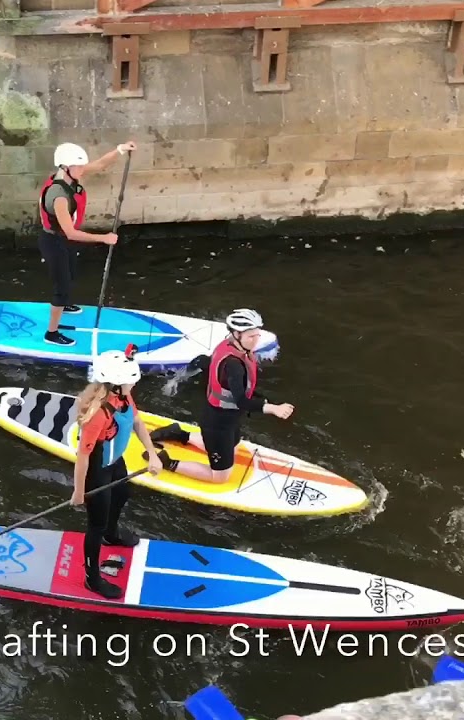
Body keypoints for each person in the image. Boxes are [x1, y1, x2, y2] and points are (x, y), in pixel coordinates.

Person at [145, 309, 294, 483]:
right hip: (217, 423)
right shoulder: (233, 365)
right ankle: (167, 462)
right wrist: (273, 408)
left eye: (257, 335)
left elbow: (209, 365)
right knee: (220, 477)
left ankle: (179, 434)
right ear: (236, 334)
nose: (255, 341)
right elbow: (241, 401)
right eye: (250, 337)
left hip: (229, 419)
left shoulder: (231, 346)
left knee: (233, 448)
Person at [71, 347, 162, 599]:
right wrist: (80, 492)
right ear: (117, 383)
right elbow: (83, 456)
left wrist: (152, 454)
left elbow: (137, 423)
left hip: (115, 462)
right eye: (131, 379)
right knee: (95, 525)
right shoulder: (98, 414)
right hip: (97, 471)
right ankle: (92, 579)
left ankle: (112, 535)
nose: (135, 381)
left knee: (122, 494)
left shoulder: (123, 398)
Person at [37, 140, 137, 347]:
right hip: (55, 241)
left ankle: (64, 306)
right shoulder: (59, 197)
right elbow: (71, 232)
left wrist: (120, 149)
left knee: (72, 274)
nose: (83, 170)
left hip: (65, 240)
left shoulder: (71, 173)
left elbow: (100, 164)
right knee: (62, 286)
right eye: (79, 167)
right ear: (65, 167)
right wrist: (103, 238)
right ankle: (52, 333)